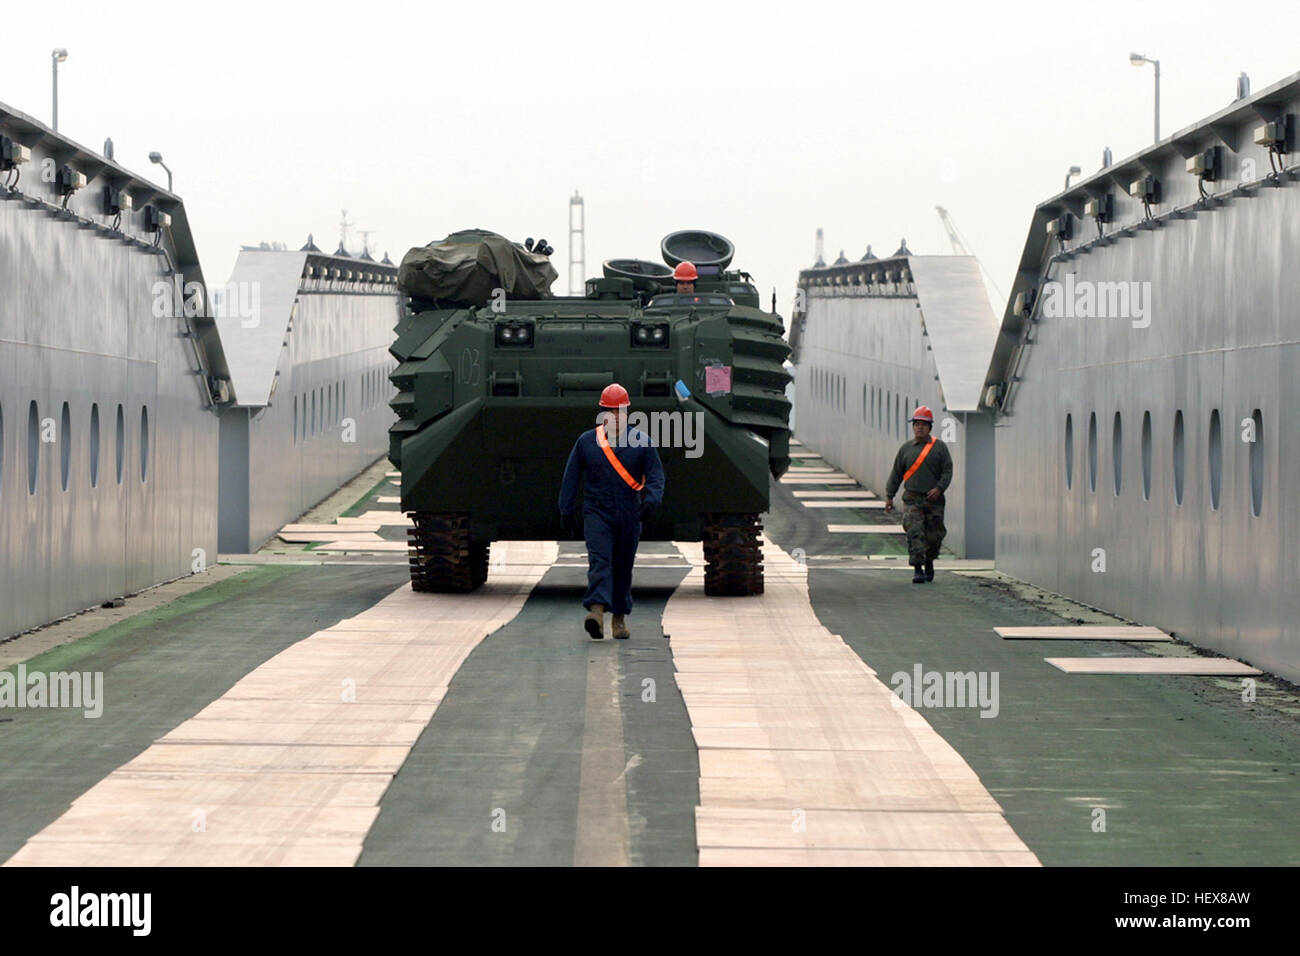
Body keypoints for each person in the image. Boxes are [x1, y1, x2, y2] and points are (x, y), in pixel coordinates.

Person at [558, 384, 665, 640]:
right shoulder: (587, 442)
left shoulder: (642, 442)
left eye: (619, 411)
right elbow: (571, 477)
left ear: (627, 412)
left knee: (623, 566)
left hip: (630, 513)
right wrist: (566, 508)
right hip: (597, 513)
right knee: (600, 560)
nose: (614, 416)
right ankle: (596, 611)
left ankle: (619, 618)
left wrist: (652, 501)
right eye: (609, 411)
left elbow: (656, 475)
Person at [884, 406, 952, 583]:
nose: (919, 427)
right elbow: (897, 473)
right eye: (917, 424)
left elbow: (947, 471)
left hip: (934, 501)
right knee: (914, 533)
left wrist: (939, 488)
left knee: (934, 535)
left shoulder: (940, 448)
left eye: (923, 424)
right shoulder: (906, 449)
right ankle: (917, 569)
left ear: (930, 427)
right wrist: (890, 496)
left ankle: (929, 562)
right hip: (913, 499)